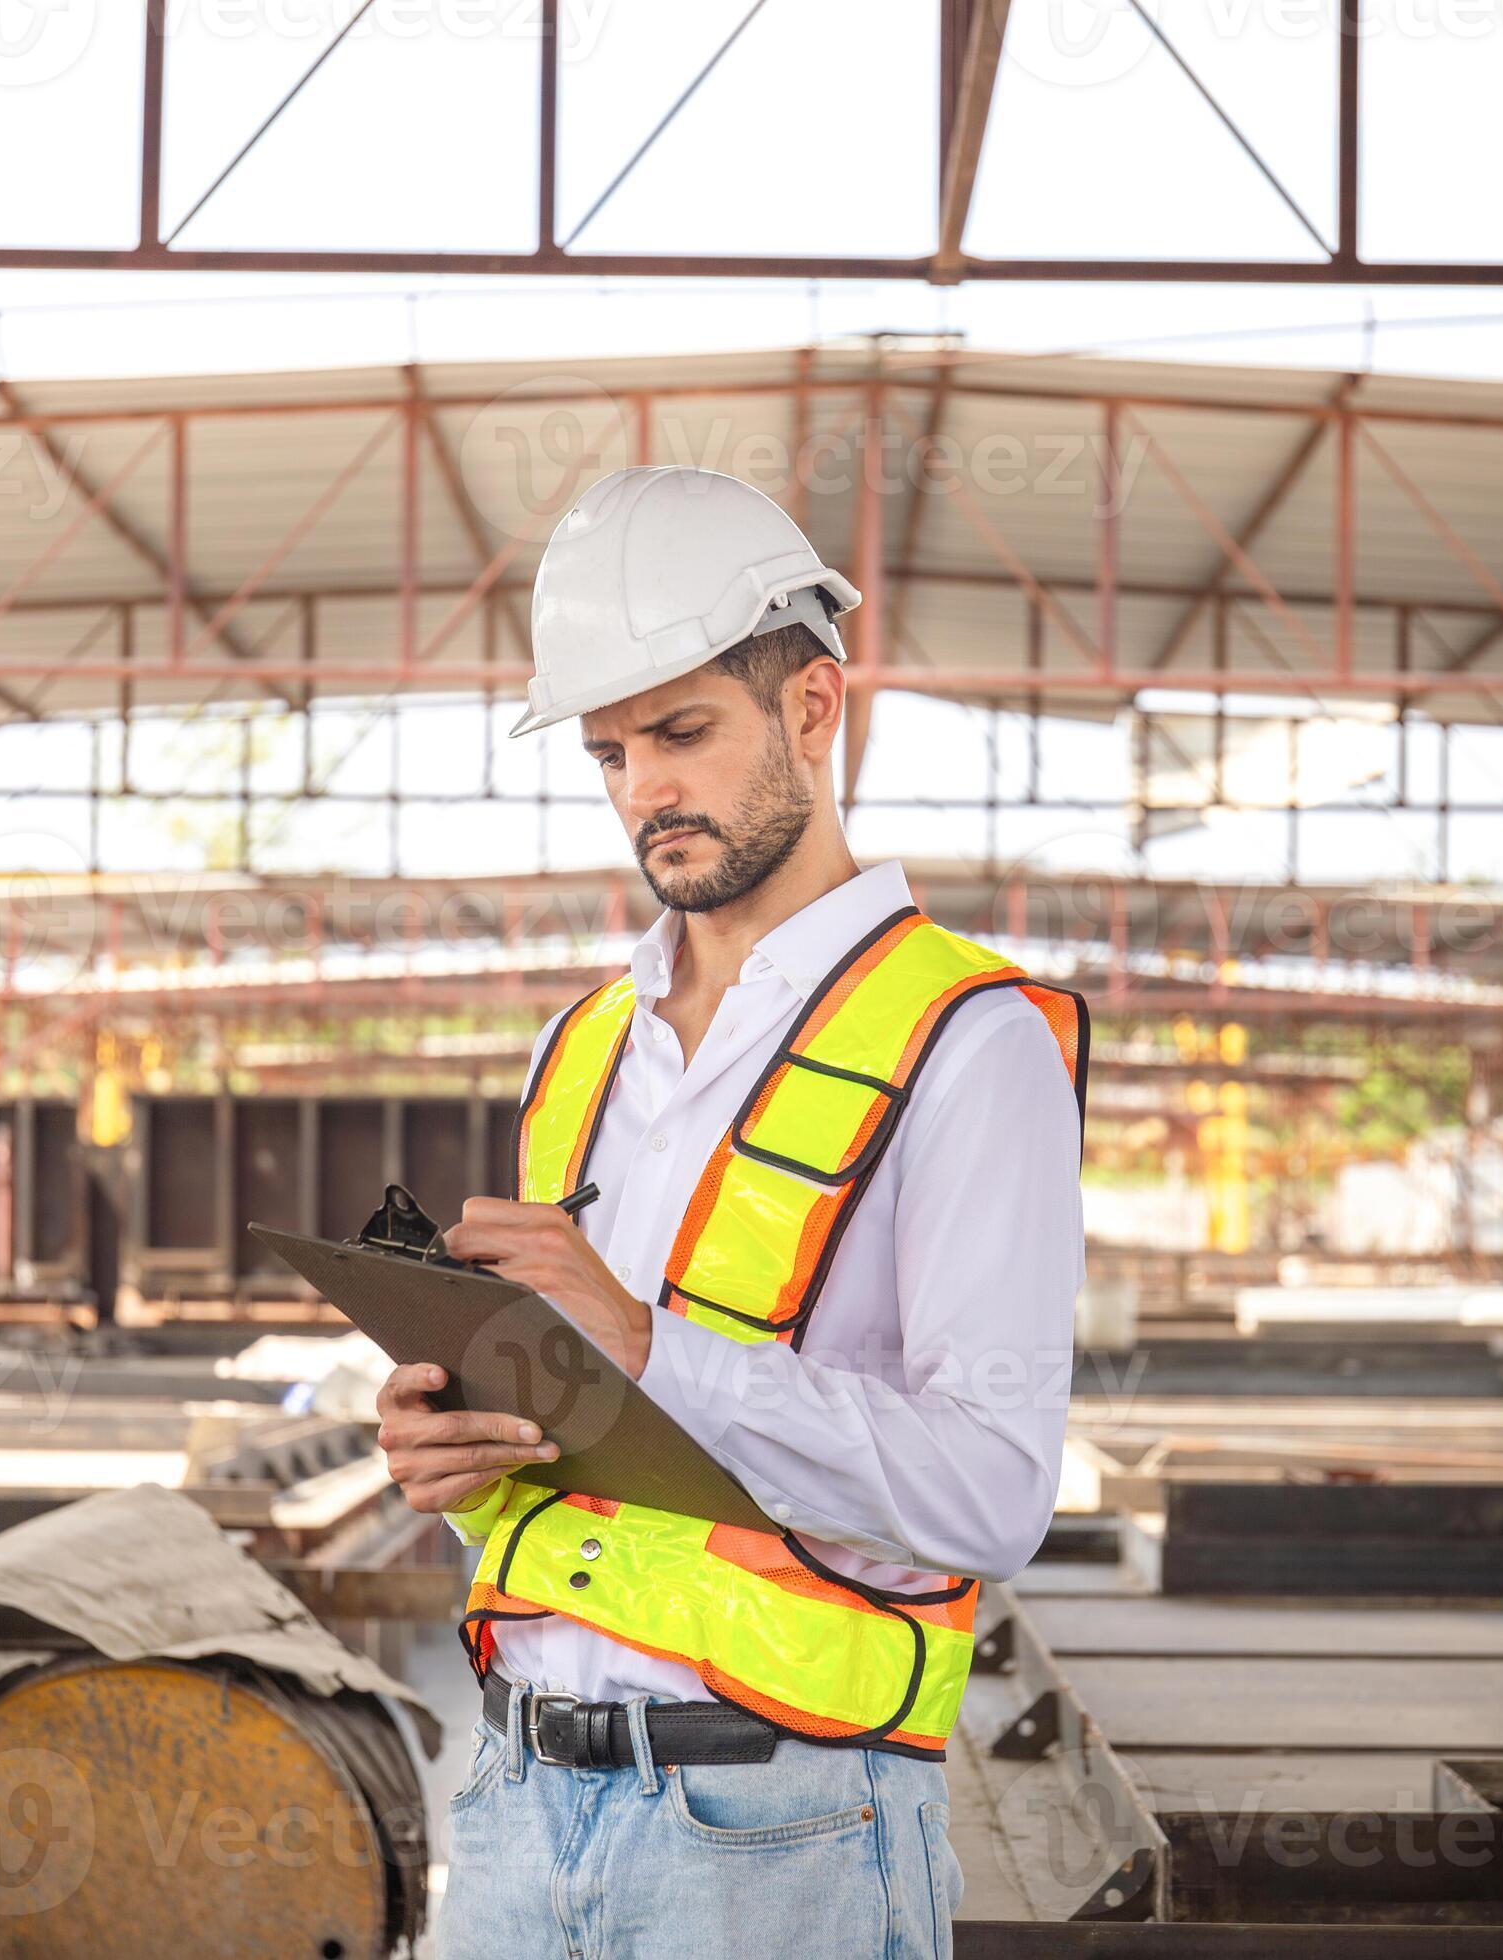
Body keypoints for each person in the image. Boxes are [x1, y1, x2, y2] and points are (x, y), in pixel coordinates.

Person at [374, 464, 1088, 1957]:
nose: (645, 791)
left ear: (815, 709)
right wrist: (453, 1447)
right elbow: (584, 1446)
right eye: (611, 751)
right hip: (512, 1802)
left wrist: (641, 1343)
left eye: (684, 733)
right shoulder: (581, 1047)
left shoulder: (969, 1041)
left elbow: (993, 1492)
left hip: (780, 1839)